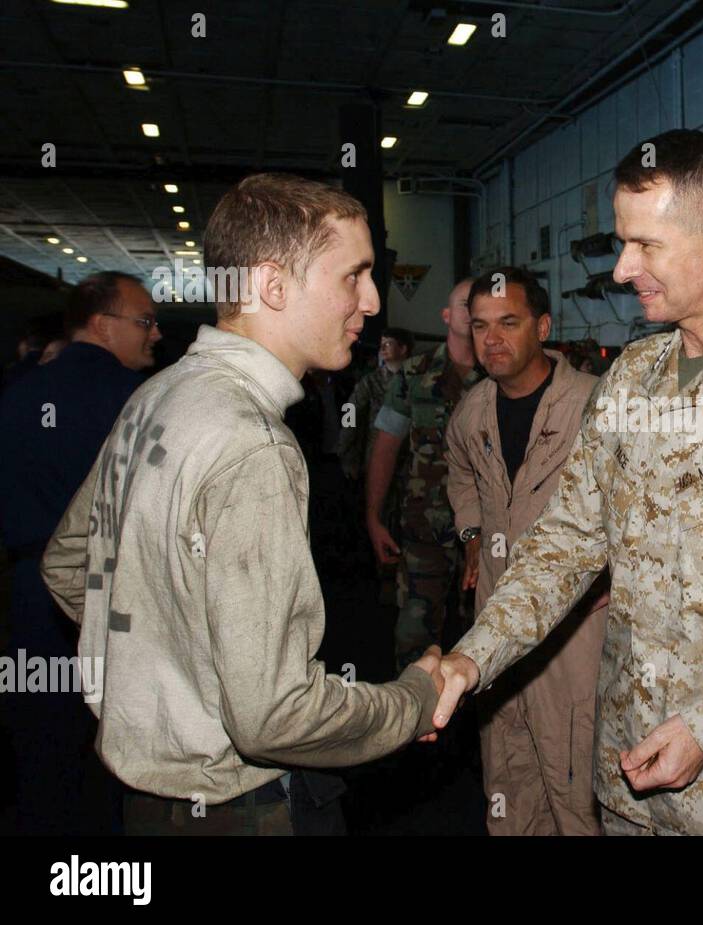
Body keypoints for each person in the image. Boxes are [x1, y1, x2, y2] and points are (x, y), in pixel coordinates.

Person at [430, 129, 703, 835]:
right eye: (622, 242)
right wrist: (471, 658)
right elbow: (565, 542)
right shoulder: (631, 382)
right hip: (633, 793)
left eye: (645, 245)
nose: (620, 268)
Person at [41, 173, 442, 836]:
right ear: (272, 285)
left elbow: (66, 564)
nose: (371, 301)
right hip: (239, 811)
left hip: (147, 800)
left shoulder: (158, 395)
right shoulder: (252, 444)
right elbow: (274, 716)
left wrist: (172, 674)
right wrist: (414, 700)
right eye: (354, 275)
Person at [445, 266, 608, 835]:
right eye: (481, 326)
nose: (491, 339)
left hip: (577, 630)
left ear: (542, 326)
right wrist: (470, 538)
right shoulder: (472, 414)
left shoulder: (596, 407)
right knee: (509, 781)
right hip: (496, 621)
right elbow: (461, 476)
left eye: (508, 323)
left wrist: (611, 579)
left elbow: (642, 511)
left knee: (576, 776)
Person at [0, 272, 154, 834]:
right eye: (144, 321)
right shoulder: (139, 403)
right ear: (101, 324)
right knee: (114, 751)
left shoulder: (17, 393)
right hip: (114, 601)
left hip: (28, 600)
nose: (155, 334)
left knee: (42, 747)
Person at [367, 281, 479, 668]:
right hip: (423, 529)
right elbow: (386, 447)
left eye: (478, 303)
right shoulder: (414, 374)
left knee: (484, 634)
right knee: (415, 635)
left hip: (486, 530)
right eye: (464, 303)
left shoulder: (500, 373)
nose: (472, 310)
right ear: (446, 316)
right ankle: (415, 717)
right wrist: (373, 516)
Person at [339, 327, 413, 481]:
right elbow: (350, 409)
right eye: (382, 344)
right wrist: (345, 444)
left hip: (410, 459)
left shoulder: (417, 380)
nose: (382, 348)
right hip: (377, 456)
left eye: (388, 344)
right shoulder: (371, 381)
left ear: (403, 348)